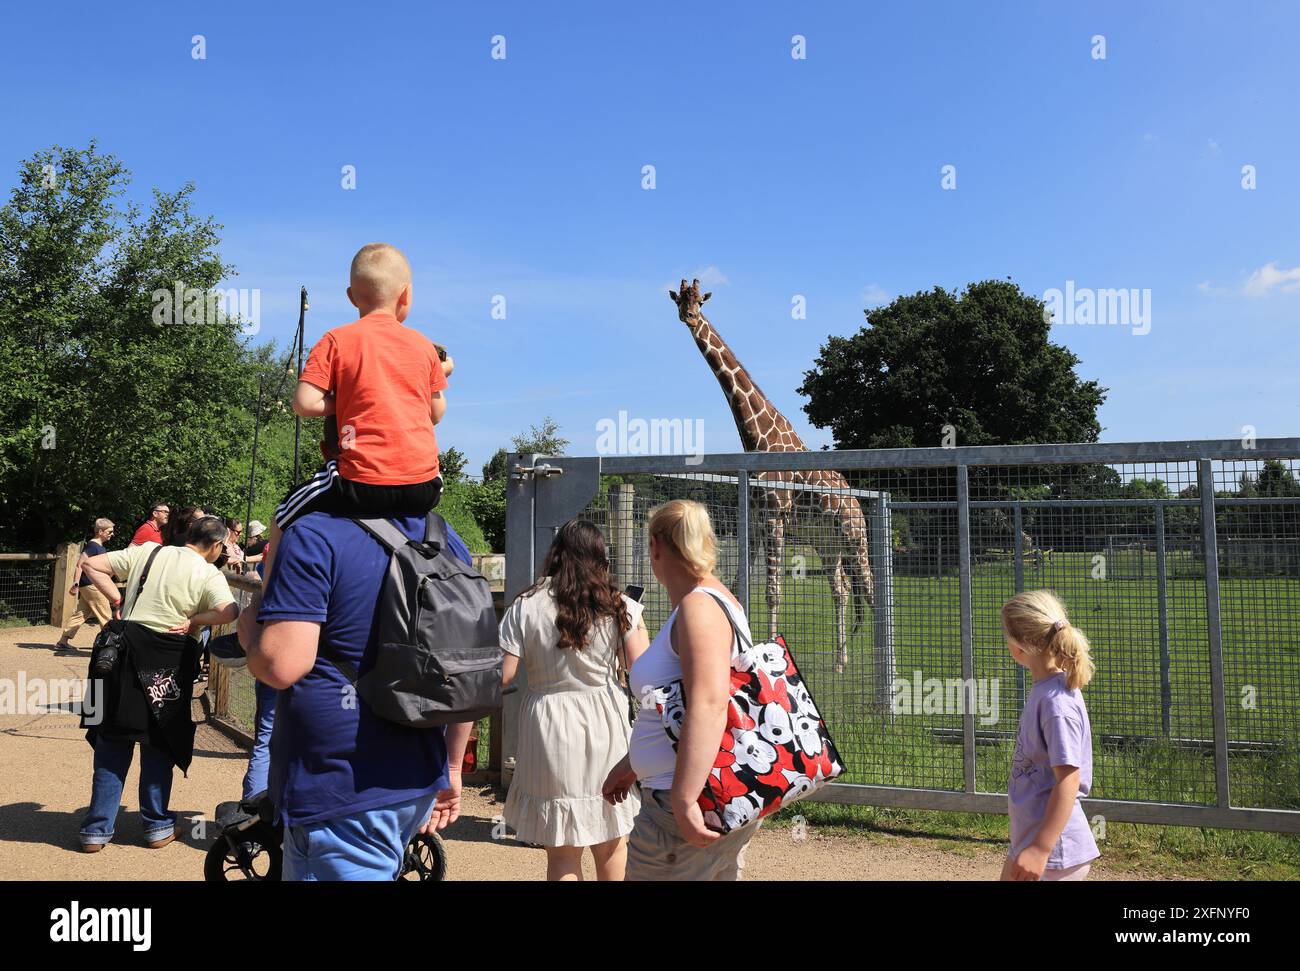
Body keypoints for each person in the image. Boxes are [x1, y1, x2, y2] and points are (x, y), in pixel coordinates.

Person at [235, 505, 477, 881]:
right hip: (417, 778)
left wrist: (250, 627)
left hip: (341, 787)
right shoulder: (444, 537)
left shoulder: (316, 534)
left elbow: (278, 666)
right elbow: (466, 673)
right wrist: (452, 767)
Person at [262, 243, 455, 586]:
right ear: (406, 295)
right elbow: (436, 413)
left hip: (362, 486)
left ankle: (266, 599)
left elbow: (304, 404)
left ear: (352, 296)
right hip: (425, 488)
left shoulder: (337, 339)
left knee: (282, 516)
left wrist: (353, 396)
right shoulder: (423, 345)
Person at [603, 499, 760, 881]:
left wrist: (685, 798)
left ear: (656, 545)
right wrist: (632, 765)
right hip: (708, 794)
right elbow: (676, 703)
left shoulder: (699, 607)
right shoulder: (714, 600)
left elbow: (708, 703)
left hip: (681, 811)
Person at [76, 517, 238, 852]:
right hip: (168, 662)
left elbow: (91, 564)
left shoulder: (148, 552)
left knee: (112, 738)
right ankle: (156, 826)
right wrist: (194, 620)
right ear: (217, 546)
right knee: (159, 742)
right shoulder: (208, 573)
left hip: (120, 655)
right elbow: (229, 610)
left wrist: (117, 601)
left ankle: (96, 830)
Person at [499, 520, 650, 881]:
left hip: (546, 727)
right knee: (613, 845)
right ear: (600, 556)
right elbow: (645, 677)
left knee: (562, 855)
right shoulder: (620, 606)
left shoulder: (526, 604)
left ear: (556, 554)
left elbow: (501, 676)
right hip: (604, 722)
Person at [999, 590, 1099, 882]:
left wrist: (1041, 848)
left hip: (1054, 852)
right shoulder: (1046, 689)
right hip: (1030, 841)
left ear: (1020, 646)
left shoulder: (1056, 704)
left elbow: (1068, 780)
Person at [57, 518, 115, 649]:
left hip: (92, 584)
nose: (112, 534)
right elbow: (80, 565)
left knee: (81, 613)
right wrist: (75, 583)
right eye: (109, 531)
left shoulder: (100, 547)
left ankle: (63, 641)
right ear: (100, 531)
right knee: (105, 613)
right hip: (92, 584)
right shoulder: (93, 546)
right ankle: (110, 644)